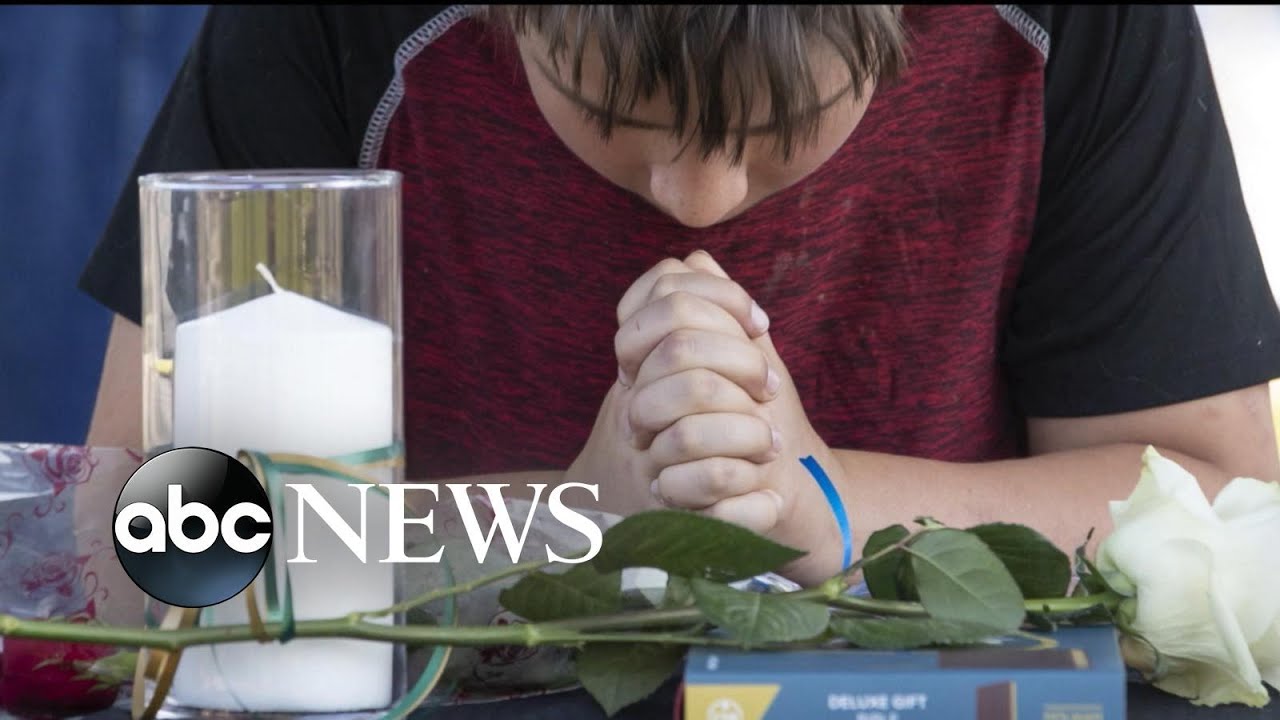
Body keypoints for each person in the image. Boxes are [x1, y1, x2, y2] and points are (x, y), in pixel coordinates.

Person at [81, 5, 1280, 588]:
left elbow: (1220, 500)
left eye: (778, 132)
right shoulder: (337, 29)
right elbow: (131, 543)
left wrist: (820, 501)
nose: (696, 203)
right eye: (610, 119)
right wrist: (568, 518)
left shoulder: (1064, 28)